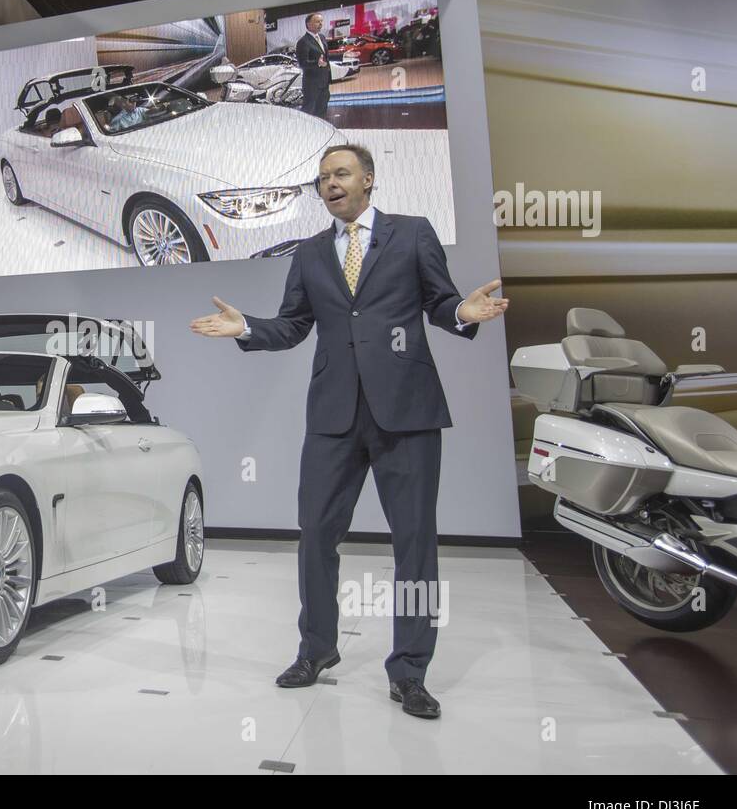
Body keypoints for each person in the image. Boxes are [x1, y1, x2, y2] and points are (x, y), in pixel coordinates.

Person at [189, 144, 509, 719]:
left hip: (407, 411)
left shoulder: (413, 233)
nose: (329, 184)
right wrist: (248, 328)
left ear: (369, 179)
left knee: (415, 545)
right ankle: (316, 649)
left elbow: (439, 303)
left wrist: (464, 313)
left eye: (340, 173)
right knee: (314, 534)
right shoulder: (309, 252)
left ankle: (410, 670)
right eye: (321, 179)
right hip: (333, 415)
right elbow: (291, 326)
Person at [295, 13, 332, 118]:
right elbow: (302, 63)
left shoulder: (322, 37)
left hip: (324, 82)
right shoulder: (303, 42)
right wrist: (317, 63)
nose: (320, 24)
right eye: (317, 21)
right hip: (312, 84)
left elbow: (326, 58)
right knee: (309, 112)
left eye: (321, 21)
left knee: (322, 110)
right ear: (308, 24)